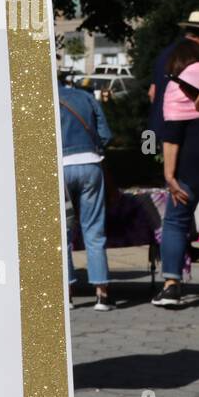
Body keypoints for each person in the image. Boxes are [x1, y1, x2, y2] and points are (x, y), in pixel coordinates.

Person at [60, 73, 115, 310]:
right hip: (91, 164)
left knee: (62, 231)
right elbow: (105, 134)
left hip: (60, 167)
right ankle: (102, 294)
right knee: (94, 230)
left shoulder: (42, 99)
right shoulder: (84, 96)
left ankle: (67, 294)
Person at [153, 38, 199, 307]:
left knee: (175, 222)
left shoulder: (176, 87)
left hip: (188, 167)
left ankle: (172, 285)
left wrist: (169, 176)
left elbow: (171, 137)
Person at [147, 11, 199, 141]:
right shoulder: (195, 56)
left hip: (156, 129)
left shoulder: (165, 53)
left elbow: (151, 93)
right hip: (185, 132)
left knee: (155, 159)